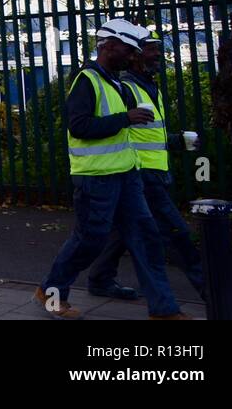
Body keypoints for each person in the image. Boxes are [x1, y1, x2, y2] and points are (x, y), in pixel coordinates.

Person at [35, 19, 189, 319]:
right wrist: (125, 118)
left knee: (147, 239)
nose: (133, 56)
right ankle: (49, 293)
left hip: (126, 175)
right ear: (108, 47)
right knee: (88, 242)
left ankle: (164, 310)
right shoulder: (86, 80)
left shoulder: (114, 81)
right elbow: (79, 127)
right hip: (96, 179)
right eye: (127, 50)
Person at [86, 29, 206, 301]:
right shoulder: (126, 87)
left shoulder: (148, 86)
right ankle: (214, 290)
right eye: (151, 49)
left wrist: (176, 141)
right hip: (141, 172)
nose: (158, 54)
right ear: (135, 55)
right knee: (176, 233)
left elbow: (148, 131)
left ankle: (100, 278)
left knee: (123, 230)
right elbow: (120, 127)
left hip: (153, 171)